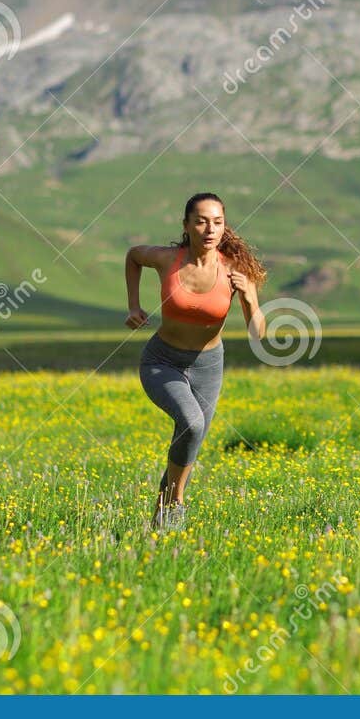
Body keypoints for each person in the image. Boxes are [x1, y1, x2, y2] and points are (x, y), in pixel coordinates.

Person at [124, 192, 266, 531]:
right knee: (192, 423)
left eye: (217, 222)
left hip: (208, 366)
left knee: (191, 437)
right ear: (186, 225)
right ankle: (176, 501)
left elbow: (258, 333)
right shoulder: (166, 259)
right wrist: (133, 305)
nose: (209, 229)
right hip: (162, 361)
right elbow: (133, 256)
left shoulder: (234, 270)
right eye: (201, 221)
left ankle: (163, 512)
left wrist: (249, 297)